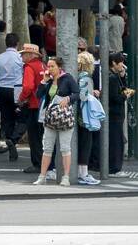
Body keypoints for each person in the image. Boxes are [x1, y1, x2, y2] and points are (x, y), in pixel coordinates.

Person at [34, 56, 78, 187]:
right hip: (51, 118)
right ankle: (42, 176)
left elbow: (77, 93)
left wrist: (69, 99)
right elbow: (38, 95)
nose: (50, 69)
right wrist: (43, 81)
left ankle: (66, 177)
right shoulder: (48, 81)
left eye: (52, 66)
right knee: (47, 147)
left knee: (65, 148)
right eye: (48, 66)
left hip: (64, 118)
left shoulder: (67, 78)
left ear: (59, 67)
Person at [0, 32, 24, 162]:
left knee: (6, 118)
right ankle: (13, 140)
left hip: (3, 89)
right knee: (21, 116)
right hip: (16, 88)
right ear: (17, 44)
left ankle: (10, 141)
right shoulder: (20, 58)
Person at [18, 43, 46, 172]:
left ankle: (37, 164)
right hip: (43, 105)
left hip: (34, 105)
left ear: (30, 55)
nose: (22, 57)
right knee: (43, 136)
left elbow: (28, 87)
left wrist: (21, 99)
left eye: (23, 54)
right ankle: (46, 164)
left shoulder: (29, 67)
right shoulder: (43, 66)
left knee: (34, 137)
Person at [75, 51, 102, 185]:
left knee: (81, 143)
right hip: (84, 117)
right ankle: (83, 174)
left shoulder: (76, 75)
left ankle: (81, 173)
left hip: (77, 116)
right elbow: (84, 97)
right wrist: (93, 94)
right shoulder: (86, 77)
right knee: (86, 143)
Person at [108, 52, 133, 174]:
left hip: (116, 114)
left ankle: (115, 167)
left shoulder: (116, 76)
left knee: (118, 141)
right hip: (114, 114)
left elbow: (122, 90)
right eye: (121, 62)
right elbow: (115, 97)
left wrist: (123, 77)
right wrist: (126, 96)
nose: (122, 65)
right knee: (116, 142)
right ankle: (114, 168)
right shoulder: (112, 78)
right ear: (114, 63)